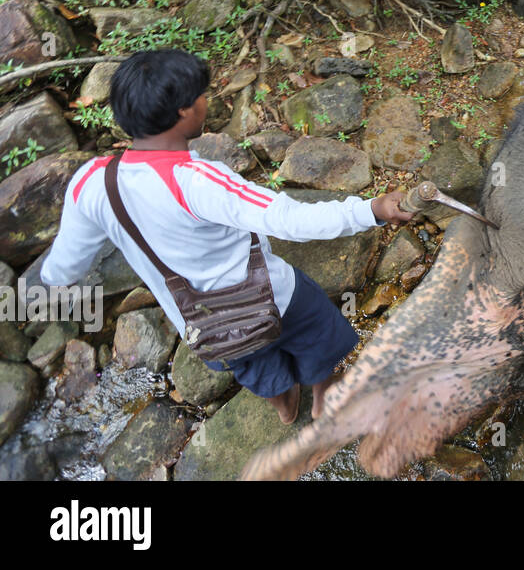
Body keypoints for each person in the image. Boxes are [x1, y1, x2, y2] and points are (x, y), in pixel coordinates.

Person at [41, 48, 414, 424]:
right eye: (202, 95)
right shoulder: (198, 179)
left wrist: (46, 288)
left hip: (204, 324)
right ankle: (325, 398)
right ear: (184, 111)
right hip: (274, 298)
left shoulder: (91, 183)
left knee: (255, 365)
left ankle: (286, 408)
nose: (207, 100)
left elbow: (63, 270)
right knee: (318, 333)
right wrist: (372, 210)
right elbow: (289, 219)